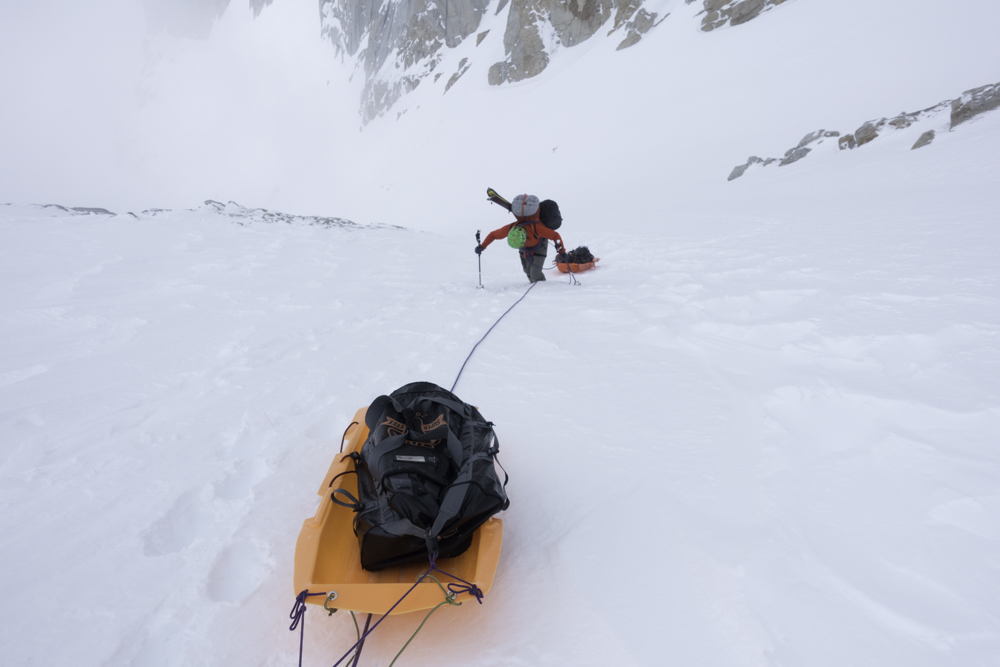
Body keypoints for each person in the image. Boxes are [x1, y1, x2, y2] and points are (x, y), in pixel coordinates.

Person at [475, 194, 566, 283]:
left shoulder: (536, 228)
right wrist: (483, 246)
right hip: (525, 249)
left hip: (540, 246)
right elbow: (494, 235)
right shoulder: (511, 228)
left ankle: (541, 289)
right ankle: (533, 286)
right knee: (527, 271)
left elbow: (555, 236)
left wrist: (562, 252)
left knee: (535, 273)